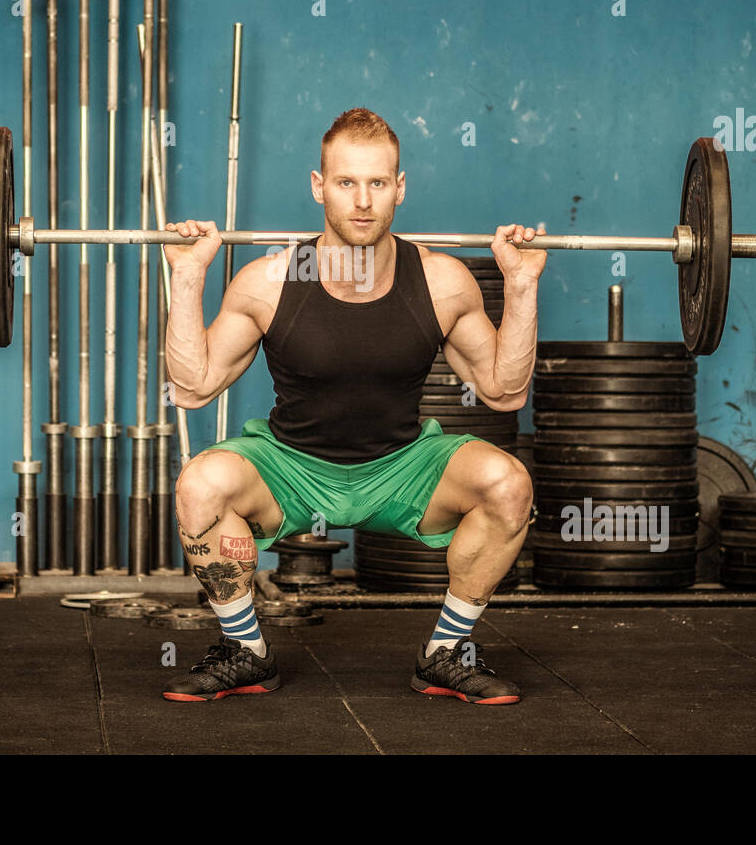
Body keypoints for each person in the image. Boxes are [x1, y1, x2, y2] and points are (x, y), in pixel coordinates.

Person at [161, 107, 544, 704]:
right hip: (291, 468)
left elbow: (505, 390)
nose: (362, 201)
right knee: (199, 486)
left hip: (403, 467)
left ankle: (444, 654)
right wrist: (187, 278)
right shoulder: (270, 280)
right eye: (346, 182)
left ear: (400, 188)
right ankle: (246, 651)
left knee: (509, 485)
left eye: (377, 183)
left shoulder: (441, 280)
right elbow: (191, 386)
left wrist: (521, 287)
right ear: (320, 187)